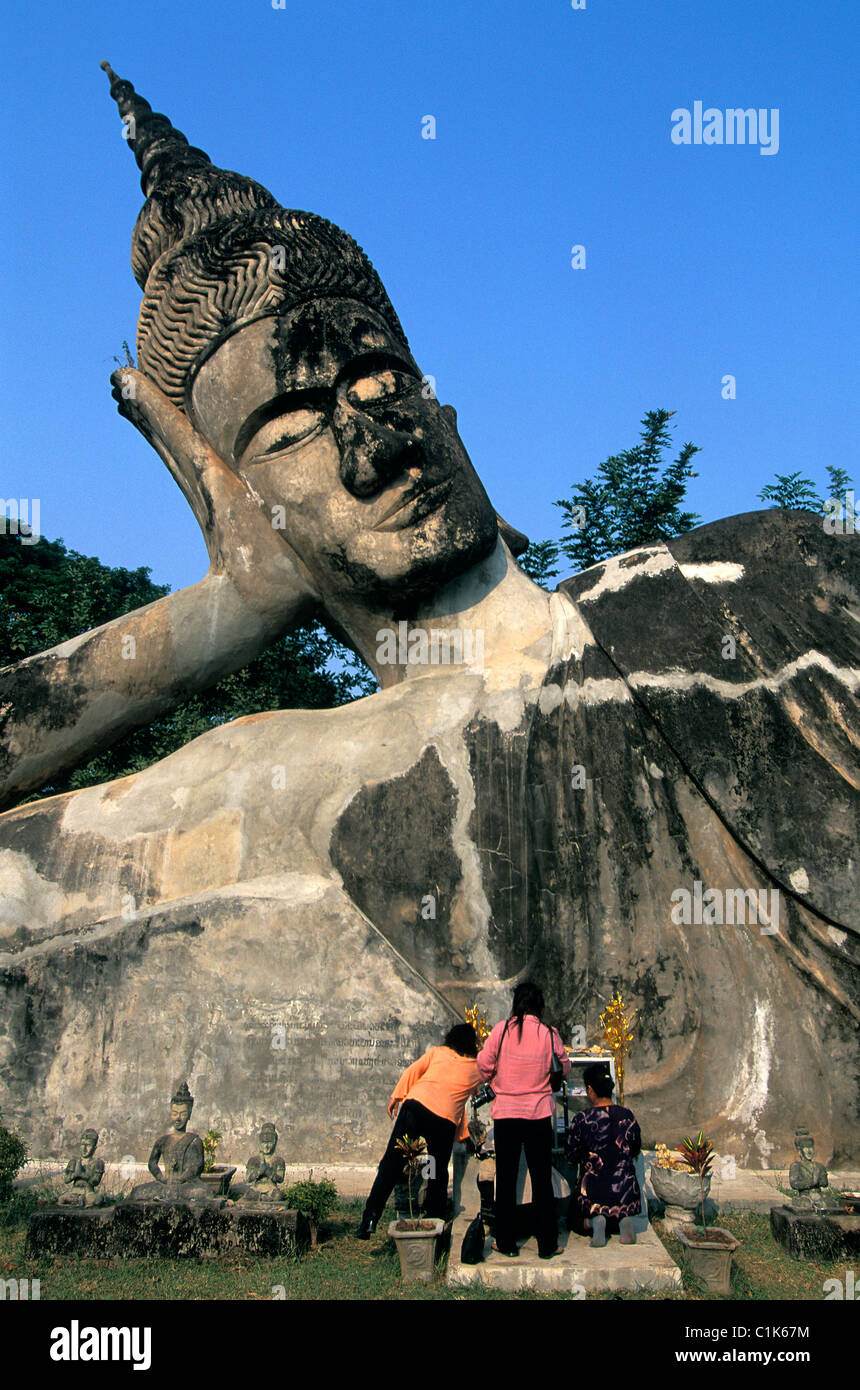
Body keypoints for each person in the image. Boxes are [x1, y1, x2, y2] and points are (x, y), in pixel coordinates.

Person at [357, 1023, 480, 1238]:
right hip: (443, 1122)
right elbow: (463, 1099)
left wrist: (396, 1096)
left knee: (392, 1164)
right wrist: (465, 1135)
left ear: (450, 1039)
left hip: (415, 1108)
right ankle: (435, 1223)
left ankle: (369, 1218)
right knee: (435, 1171)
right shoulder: (475, 1068)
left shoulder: (438, 1052)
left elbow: (413, 1070)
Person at [477, 982, 570, 1259]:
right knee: (542, 1179)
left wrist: (495, 1077)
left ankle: (505, 1242)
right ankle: (547, 1244)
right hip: (538, 1114)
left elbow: (483, 1065)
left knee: (505, 1179)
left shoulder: (501, 1030)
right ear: (539, 1005)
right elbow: (564, 1066)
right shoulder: (548, 1033)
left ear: (516, 1002)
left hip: (506, 1114)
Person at [565, 1063, 641, 1246]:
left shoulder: (582, 1118)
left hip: (593, 1194)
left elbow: (571, 1157)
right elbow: (636, 1148)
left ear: (590, 1089)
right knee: (617, 1211)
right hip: (625, 1194)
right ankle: (623, 1221)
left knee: (571, 1219)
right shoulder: (627, 1115)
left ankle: (592, 1222)